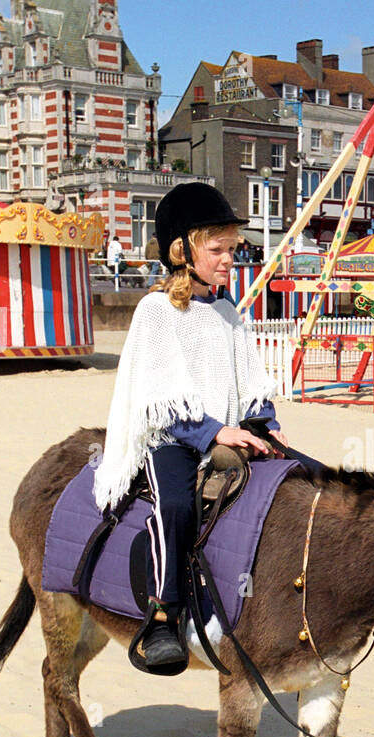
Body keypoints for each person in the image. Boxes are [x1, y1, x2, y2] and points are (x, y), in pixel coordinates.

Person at [93, 183, 287, 671]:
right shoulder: (157, 313)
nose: (229, 259)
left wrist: (267, 424)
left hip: (224, 435)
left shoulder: (227, 314)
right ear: (182, 250)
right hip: (175, 441)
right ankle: (163, 615)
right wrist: (214, 433)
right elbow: (160, 400)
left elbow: (251, 385)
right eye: (217, 249)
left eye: (232, 249)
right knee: (177, 504)